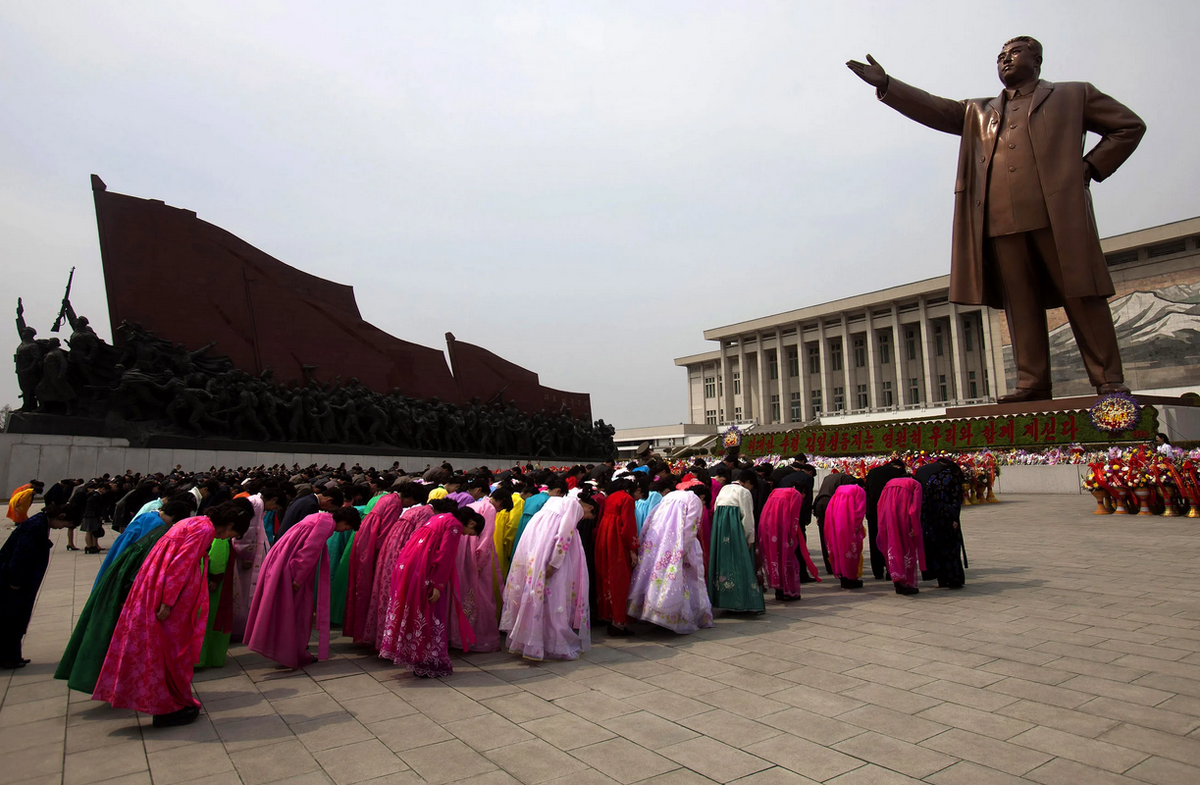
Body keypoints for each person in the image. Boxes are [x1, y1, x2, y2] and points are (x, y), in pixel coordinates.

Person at [847, 37, 1145, 402]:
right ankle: (1032, 382)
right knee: (1019, 302)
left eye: (1014, 52)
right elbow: (937, 110)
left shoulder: (1073, 95)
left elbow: (1129, 126)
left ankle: (1107, 380)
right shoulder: (979, 112)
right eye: (1000, 56)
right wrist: (888, 85)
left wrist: (1089, 168)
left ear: (1037, 59)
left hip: (1058, 216)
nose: (1005, 59)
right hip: (999, 222)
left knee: (1082, 294)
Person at [92, 502, 253, 727]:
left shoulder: (194, 521)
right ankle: (168, 705)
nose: (228, 538)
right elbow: (181, 565)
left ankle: (164, 702)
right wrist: (168, 601)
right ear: (230, 524)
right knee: (170, 650)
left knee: (157, 647)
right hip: (170, 595)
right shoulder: (204, 530)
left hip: (155, 585)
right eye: (233, 533)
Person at [245, 506, 361, 669]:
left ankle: (283, 648)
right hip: (290, 567)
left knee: (284, 609)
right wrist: (298, 578)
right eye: (346, 527)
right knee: (298, 612)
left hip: (282, 560)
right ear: (343, 521)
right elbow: (309, 551)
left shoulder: (320, 517)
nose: (343, 531)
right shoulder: (326, 524)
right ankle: (291, 651)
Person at [379, 507, 485, 677]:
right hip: (424, 571)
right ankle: (426, 660)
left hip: (408, 566)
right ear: (472, 523)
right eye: (470, 532)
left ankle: (415, 657)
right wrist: (438, 585)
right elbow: (445, 556)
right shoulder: (455, 525)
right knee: (428, 615)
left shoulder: (442, 516)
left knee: (413, 613)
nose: (466, 535)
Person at [500, 495, 591, 661]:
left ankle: (530, 641)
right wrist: (555, 562)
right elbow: (564, 535)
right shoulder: (572, 505)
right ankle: (551, 644)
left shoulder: (552, 502)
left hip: (537, 549)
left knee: (536, 594)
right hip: (551, 555)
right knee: (554, 598)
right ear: (589, 507)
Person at [626, 488, 713, 634]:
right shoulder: (694, 501)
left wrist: (645, 540)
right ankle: (676, 616)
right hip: (677, 543)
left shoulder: (670, 495)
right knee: (685, 579)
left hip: (657, 541)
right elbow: (691, 527)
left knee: (656, 577)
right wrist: (682, 550)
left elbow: (651, 517)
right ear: (702, 497)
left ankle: (654, 612)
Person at [0, 504, 73, 668]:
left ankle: (12, 655)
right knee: (11, 618)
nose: (62, 528)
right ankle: (6, 657)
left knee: (17, 618)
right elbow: (20, 554)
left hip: (22, 580)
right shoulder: (36, 526)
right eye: (65, 525)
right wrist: (15, 581)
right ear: (61, 516)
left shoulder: (40, 523)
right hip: (14, 581)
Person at [197, 498, 258, 667]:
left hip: (211, 581)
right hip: (214, 584)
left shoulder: (211, 529)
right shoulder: (218, 535)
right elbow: (217, 557)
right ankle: (205, 657)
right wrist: (216, 577)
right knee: (210, 620)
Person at [449, 492, 506, 652]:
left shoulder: (474, 503)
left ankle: (457, 635)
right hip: (475, 547)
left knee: (462, 589)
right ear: (500, 502)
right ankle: (477, 636)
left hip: (463, 546)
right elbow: (486, 535)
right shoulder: (489, 508)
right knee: (481, 594)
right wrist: (480, 561)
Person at [95, 497, 195, 588]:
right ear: (173, 517)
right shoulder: (157, 524)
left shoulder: (149, 515)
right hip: (129, 557)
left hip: (120, 548)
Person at [344, 495, 405, 644]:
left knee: (360, 584)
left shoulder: (387, 497)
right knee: (370, 587)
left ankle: (362, 631)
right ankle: (369, 633)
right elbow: (385, 531)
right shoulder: (396, 503)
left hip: (365, 536)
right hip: (372, 540)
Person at [230, 488, 285, 640]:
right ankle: (243, 626)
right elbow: (248, 531)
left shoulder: (255, 501)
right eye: (276, 506)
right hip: (247, 556)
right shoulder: (257, 504)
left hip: (252, 552)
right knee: (245, 591)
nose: (274, 510)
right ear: (273, 500)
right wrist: (247, 554)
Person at [709, 470, 765, 613]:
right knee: (740, 563)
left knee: (724, 563)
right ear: (747, 483)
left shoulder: (724, 489)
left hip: (721, 530)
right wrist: (749, 538)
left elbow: (716, 509)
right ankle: (743, 600)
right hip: (736, 530)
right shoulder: (744, 492)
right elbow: (747, 517)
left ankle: (723, 599)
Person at [756, 487, 822, 602]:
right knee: (788, 561)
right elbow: (794, 517)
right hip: (784, 531)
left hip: (768, 529)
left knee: (774, 559)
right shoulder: (795, 495)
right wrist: (792, 535)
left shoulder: (775, 492)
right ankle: (789, 591)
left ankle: (779, 590)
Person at [594, 476, 639, 636]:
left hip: (605, 536)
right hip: (617, 541)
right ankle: (618, 621)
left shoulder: (611, 497)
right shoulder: (627, 499)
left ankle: (610, 616)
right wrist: (633, 549)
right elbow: (628, 525)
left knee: (606, 575)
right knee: (620, 577)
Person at [916, 458, 967, 589]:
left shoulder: (932, 478)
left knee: (937, 549)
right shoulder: (953, 478)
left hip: (933, 519)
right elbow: (955, 500)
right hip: (947, 519)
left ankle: (942, 580)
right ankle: (954, 579)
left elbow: (926, 500)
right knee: (951, 550)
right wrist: (954, 518)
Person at [876, 477, 926, 596]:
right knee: (907, 550)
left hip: (889, 520)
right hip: (904, 520)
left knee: (893, 548)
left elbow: (880, 505)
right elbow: (915, 509)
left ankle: (897, 580)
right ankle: (906, 583)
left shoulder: (888, 484)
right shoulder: (915, 484)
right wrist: (915, 526)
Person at [865, 458, 909, 580]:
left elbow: (867, 491)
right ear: (899, 467)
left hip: (873, 511)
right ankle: (891, 571)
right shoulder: (896, 473)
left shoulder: (873, 472)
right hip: (890, 511)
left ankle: (877, 571)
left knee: (875, 541)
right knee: (892, 540)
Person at [825, 484, 868, 590]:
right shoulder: (859, 492)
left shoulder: (837, 495)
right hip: (849, 526)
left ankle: (843, 576)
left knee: (838, 549)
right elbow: (859, 511)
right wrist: (857, 527)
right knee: (851, 550)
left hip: (835, 525)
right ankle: (851, 578)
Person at [276, 485, 343, 540]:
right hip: (288, 541)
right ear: (329, 500)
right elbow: (305, 533)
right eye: (330, 508)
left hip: (283, 537)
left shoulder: (306, 499)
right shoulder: (311, 506)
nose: (326, 511)